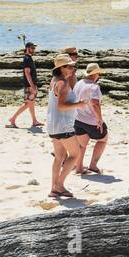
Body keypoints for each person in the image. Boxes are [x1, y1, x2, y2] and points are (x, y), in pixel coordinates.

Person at [46, 54, 91, 199]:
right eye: (70, 66)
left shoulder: (54, 81)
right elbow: (62, 106)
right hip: (63, 125)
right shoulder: (63, 84)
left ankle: (54, 189)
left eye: (73, 66)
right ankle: (59, 185)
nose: (73, 68)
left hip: (53, 124)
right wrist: (80, 104)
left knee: (59, 156)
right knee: (75, 154)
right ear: (61, 68)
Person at [73, 63, 109, 174]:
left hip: (78, 119)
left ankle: (78, 168)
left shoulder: (79, 83)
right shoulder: (94, 86)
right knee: (103, 140)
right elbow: (95, 103)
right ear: (95, 74)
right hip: (91, 120)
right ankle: (93, 165)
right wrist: (99, 119)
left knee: (81, 145)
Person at [7, 41, 41, 128]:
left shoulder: (29, 58)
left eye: (34, 48)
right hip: (29, 85)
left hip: (31, 84)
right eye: (32, 48)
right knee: (28, 104)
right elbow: (27, 73)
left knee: (31, 103)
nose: (33, 49)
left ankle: (34, 121)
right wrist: (32, 86)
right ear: (27, 48)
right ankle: (13, 118)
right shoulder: (27, 58)